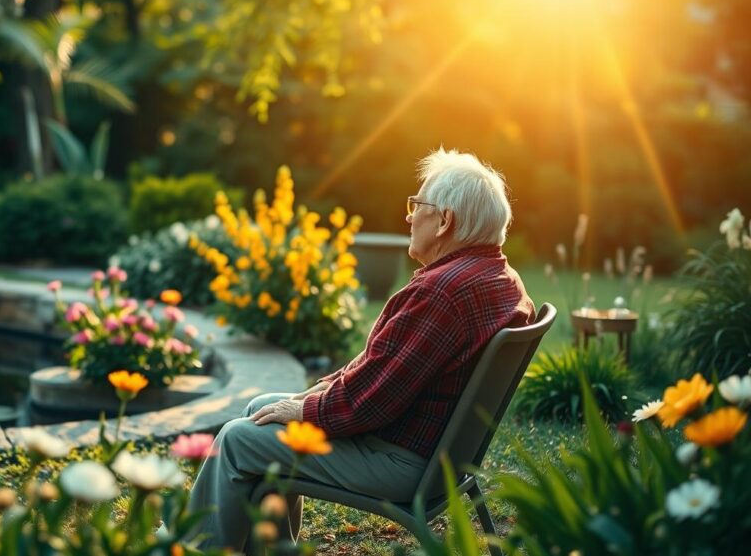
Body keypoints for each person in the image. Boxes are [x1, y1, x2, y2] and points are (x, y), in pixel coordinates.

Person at [184, 148, 536, 552]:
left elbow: (371, 402)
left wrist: (305, 409)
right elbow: (380, 369)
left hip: (402, 460)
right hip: (440, 457)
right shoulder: (499, 277)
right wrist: (314, 394)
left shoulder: (440, 293)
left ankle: (197, 548)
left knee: (237, 439)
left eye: (416, 204)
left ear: (444, 221)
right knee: (261, 409)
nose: (408, 216)